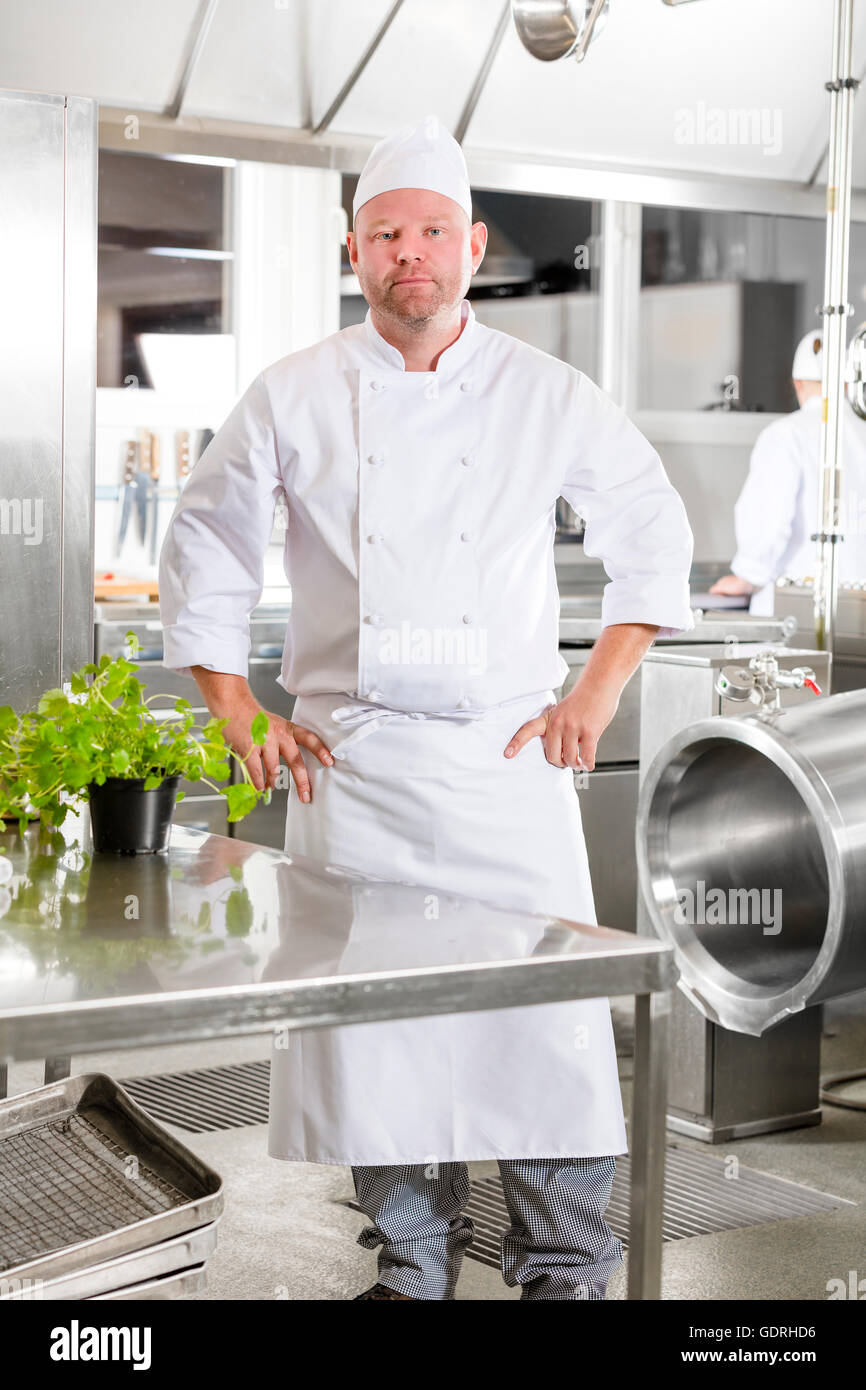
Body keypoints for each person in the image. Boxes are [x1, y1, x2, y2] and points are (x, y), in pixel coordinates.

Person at [159, 113, 694, 1301]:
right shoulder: (291, 394)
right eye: (386, 231)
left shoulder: (544, 391)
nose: (412, 252)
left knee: (540, 1033)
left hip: (503, 764)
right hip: (352, 766)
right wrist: (239, 710)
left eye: (433, 231)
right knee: (375, 1045)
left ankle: (567, 1271)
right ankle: (411, 1269)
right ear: (355, 252)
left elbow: (652, 534)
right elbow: (205, 547)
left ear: (473, 244)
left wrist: (593, 690)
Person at [710, 330, 866, 615]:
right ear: (847, 383)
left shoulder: (786, 435)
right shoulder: (862, 430)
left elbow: (768, 514)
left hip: (801, 609)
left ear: (797, 384)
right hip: (859, 613)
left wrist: (748, 575)